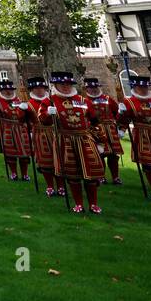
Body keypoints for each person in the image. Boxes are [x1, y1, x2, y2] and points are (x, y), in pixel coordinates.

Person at [44, 72, 105, 214]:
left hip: (84, 139)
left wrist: (101, 140)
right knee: (73, 175)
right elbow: (43, 120)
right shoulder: (50, 101)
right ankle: (78, 204)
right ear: (55, 85)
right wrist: (48, 113)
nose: (65, 87)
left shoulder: (83, 100)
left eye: (68, 84)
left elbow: (95, 121)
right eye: (62, 85)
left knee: (91, 174)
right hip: (65, 140)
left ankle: (93, 204)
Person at [0, 76, 32, 181]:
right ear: (1, 91)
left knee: (24, 153)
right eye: (5, 90)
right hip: (7, 128)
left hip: (21, 128)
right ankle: (13, 173)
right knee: (10, 153)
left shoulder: (19, 99)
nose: (8, 92)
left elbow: (27, 116)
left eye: (10, 90)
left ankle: (25, 174)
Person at [23, 75, 61, 196]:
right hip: (40, 134)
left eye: (42, 88)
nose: (40, 90)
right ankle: (50, 185)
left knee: (59, 160)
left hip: (55, 132)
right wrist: (22, 112)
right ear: (32, 90)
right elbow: (21, 120)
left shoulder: (53, 101)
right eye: (36, 88)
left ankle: (61, 185)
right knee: (45, 162)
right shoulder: (29, 104)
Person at [82, 76, 123, 184]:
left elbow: (116, 113)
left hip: (110, 130)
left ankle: (115, 177)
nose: (94, 89)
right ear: (86, 89)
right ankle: (101, 176)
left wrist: (120, 126)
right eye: (90, 88)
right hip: (95, 130)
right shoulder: (84, 101)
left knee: (113, 155)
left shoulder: (108, 99)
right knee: (99, 154)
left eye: (95, 87)